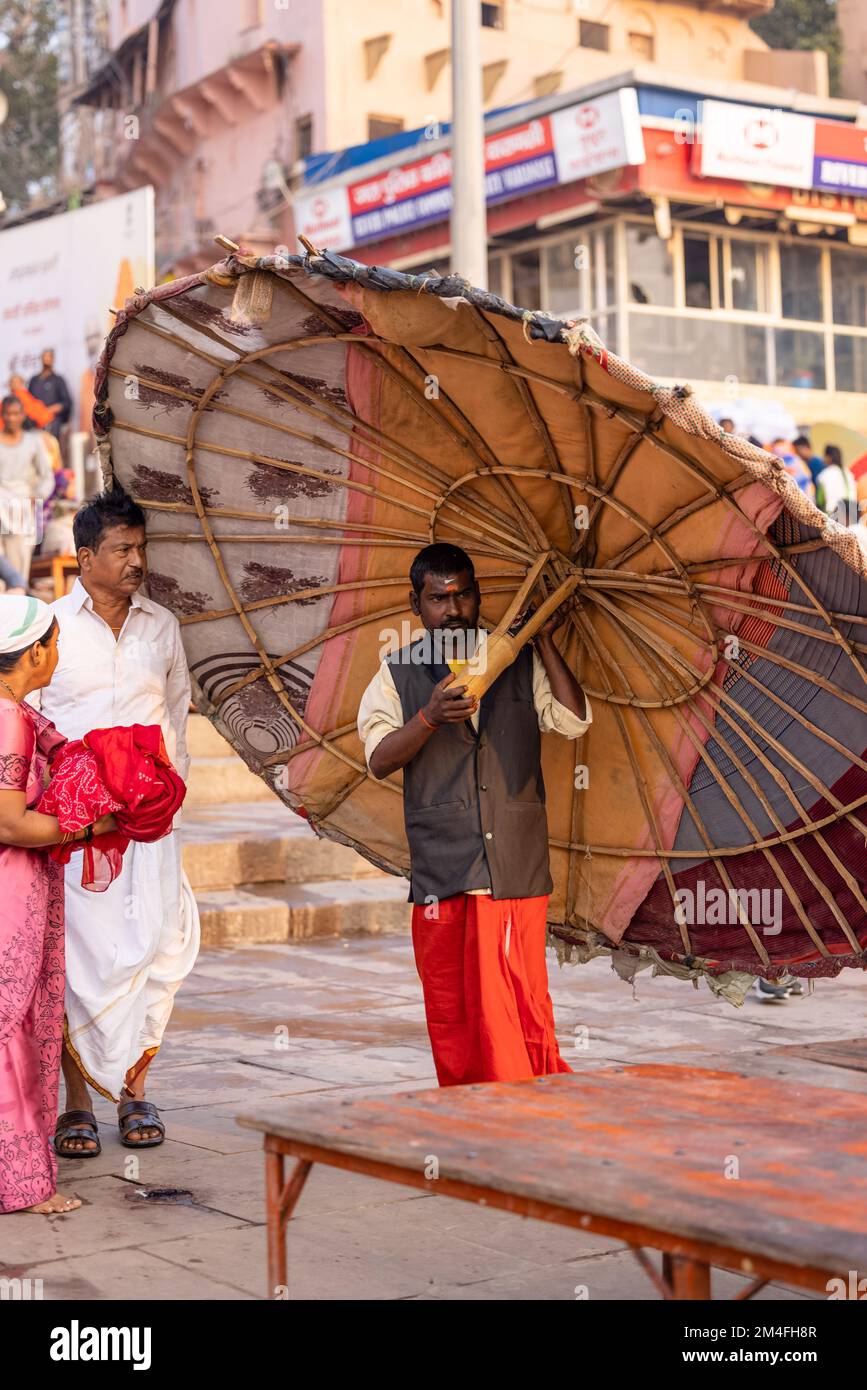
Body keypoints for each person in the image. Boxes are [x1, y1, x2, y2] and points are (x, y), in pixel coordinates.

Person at [358, 543, 592, 1087]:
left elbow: (574, 720)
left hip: (513, 866)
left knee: (518, 1000)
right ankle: (469, 1115)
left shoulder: (520, 659)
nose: (453, 609)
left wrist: (546, 642)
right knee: (454, 1006)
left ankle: (522, 1110)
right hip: (443, 870)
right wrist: (429, 717)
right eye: (438, 599)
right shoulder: (398, 672)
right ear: (416, 605)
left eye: (463, 595)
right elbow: (378, 759)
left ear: (479, 597)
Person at [32, 486, 200, 1155]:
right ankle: (76, 1103)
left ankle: (133, 1094)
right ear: (84, 558)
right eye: (122, 549)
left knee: (156, 952)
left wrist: (172, 799)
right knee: (75, 961)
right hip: (74, 832)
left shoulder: (162, 626)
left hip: (151, 828)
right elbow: (30, 722)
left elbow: (178, 720)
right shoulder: (51, 628)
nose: (136, 560)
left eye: (140, 547)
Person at [0, 594, 117, 1215]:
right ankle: (17, 1183)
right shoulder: (10, 718)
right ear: (35, 652)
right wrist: (91, 830)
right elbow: (11, 825)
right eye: (54, 642)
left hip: (25, 886)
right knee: (10, 1023)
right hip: (11, 886)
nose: (59, 654)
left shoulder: (20, 714)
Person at [0, 394, 56, 584]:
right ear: (3, 415)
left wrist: (36, 497)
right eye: (8, 414)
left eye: (16, 414)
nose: (12, 418)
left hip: (22, 510)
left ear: (23, 415)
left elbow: (47, 477)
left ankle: (17, 606)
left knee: (18, 566)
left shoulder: (33, 442)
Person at [27, 350, 71, 441]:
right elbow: (28, 400)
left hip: (52, 419)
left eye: (49, 357)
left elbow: (67, 402)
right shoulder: (34, 380)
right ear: (41, 359)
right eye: (44, 357)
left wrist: (52, 409)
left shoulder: (58, 380)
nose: (46, 359)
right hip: (35, 418)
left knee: (52, 433)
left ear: (53, 359)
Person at [815, 444, 858, 527]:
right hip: (852, 517)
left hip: (833, 518)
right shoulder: (848, 473)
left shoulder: (823, 475)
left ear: (828, 457)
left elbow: (820, 501)